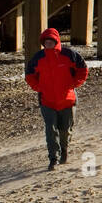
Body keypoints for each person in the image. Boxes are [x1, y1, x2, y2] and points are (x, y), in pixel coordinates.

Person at [24, 27, 89, 171]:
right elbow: (29, 75)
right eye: (46, 42)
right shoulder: (38, 58)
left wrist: (73, 84)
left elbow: (83, 69)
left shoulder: (69, 54)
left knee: (65, 130)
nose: (48, 44)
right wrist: (39, 87)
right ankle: (53, 158)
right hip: (47, 101)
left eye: (51, 41)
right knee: (51, 130)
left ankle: (64, 150)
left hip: (68, 99)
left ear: (56, 41)